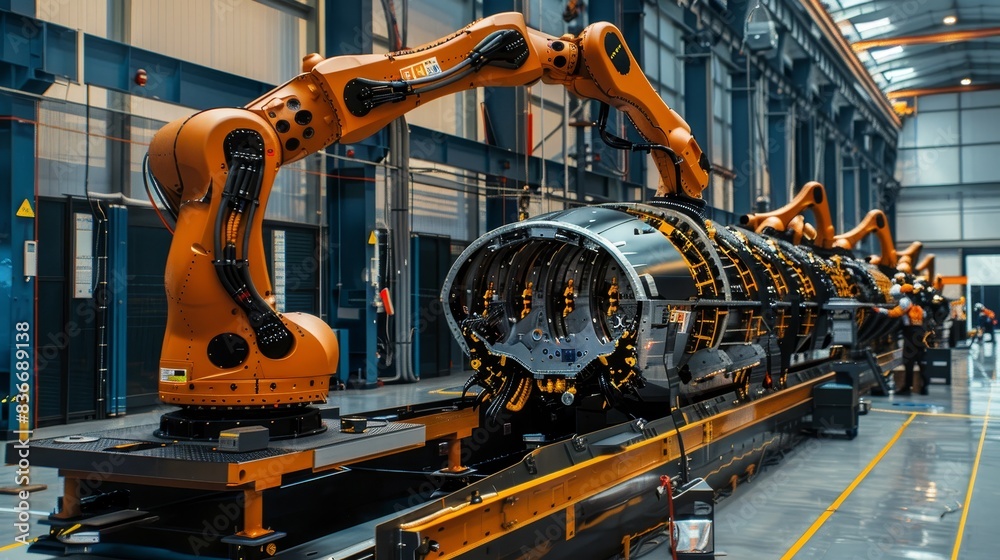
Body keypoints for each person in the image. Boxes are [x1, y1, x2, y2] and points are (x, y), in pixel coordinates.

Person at [879, 284, 928, 395]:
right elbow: (924, 315)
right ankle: (924, 387)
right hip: (920, 334)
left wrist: (879, 310)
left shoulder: (905, 301)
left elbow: (894, 313)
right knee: (921, 361)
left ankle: (907, 388)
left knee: (909, 361)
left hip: (911, 335)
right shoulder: (918, 301)